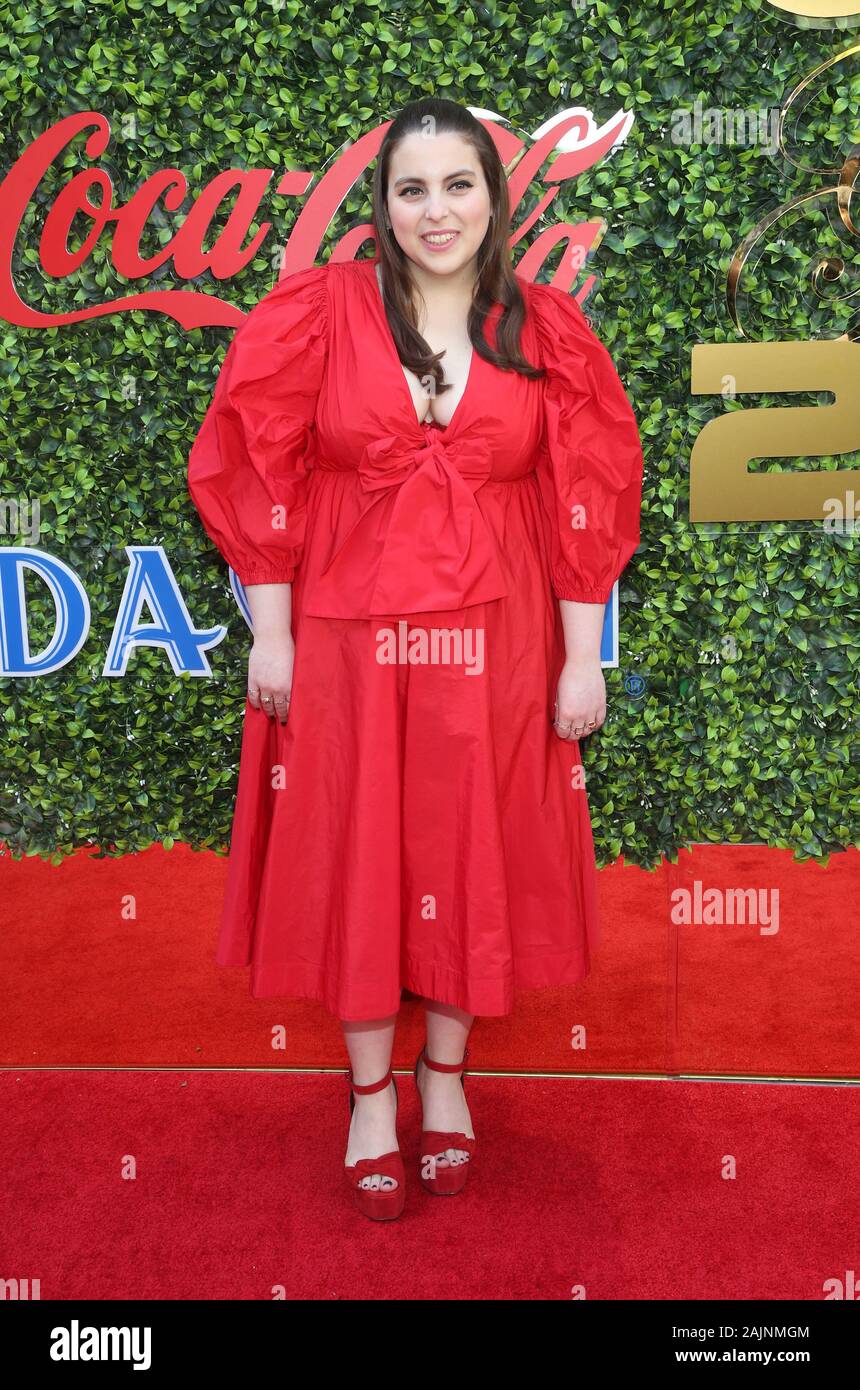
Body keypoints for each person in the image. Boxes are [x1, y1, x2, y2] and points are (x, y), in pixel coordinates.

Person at [187, 97, 644, 1221]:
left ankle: (444, 1081)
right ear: (379, 207)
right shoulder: (317, 315)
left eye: (456, 185)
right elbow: (259, 470)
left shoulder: (544, 330)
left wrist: (581, 661)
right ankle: (368, 1097)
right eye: (409, 189)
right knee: (353, 847)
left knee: (463, 840)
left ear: (495, 197)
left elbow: (587, 492)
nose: (434, 210)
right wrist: (274, 632)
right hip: (345, 641)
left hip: (494, 638)